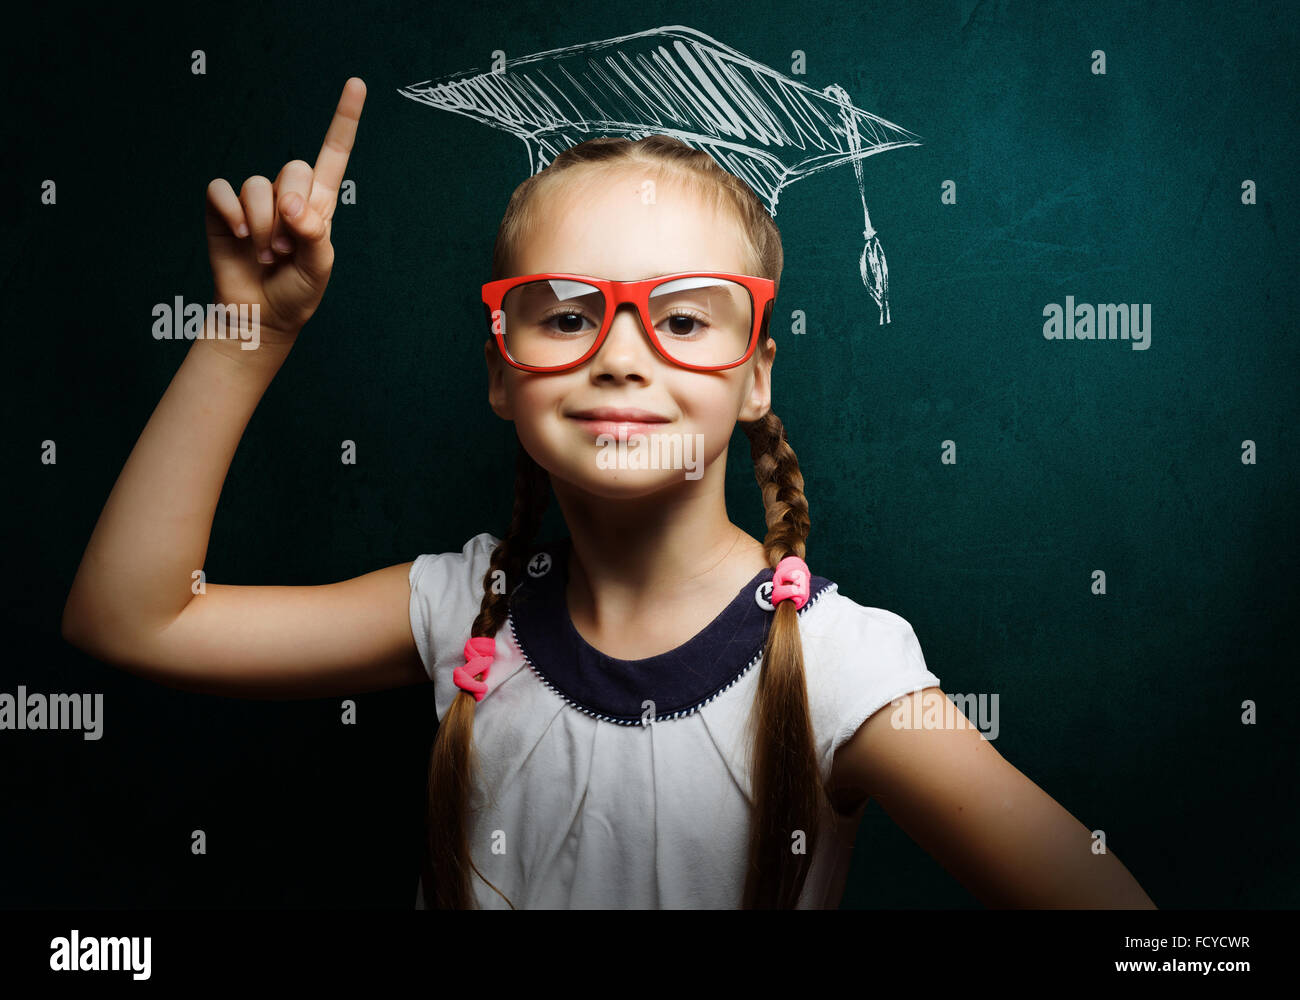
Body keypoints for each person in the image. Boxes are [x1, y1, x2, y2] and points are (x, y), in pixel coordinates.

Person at [61, 77, 1155, 910]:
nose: (622, 354)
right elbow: (133, 618)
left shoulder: (841, 665)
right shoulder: (456, 606)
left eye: (683, 316)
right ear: (500, 369)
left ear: (755, 372)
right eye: (566, 312)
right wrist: (251, 331)